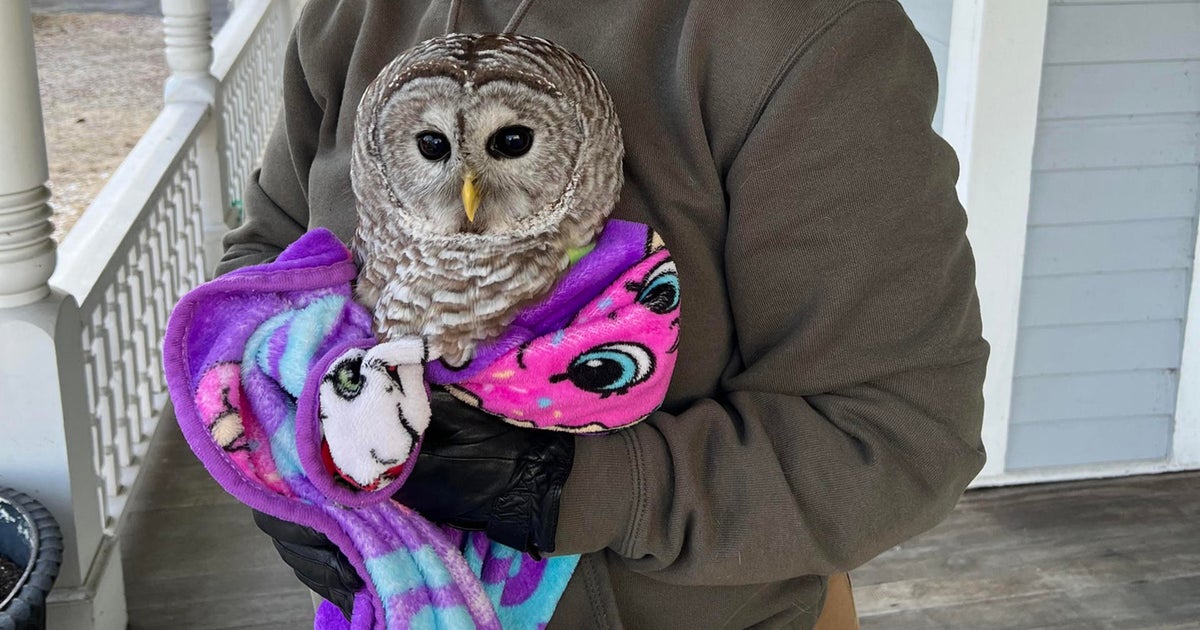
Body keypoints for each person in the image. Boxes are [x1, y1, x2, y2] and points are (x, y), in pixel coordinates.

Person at [219, 0, 989, 627]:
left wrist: (569, 487)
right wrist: (280, 459)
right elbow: (264, 266)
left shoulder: (802, 36)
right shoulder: (350, 17)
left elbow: (896, 434)